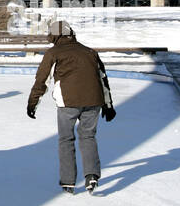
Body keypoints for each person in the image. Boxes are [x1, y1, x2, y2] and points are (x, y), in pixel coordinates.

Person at [26, 20, 116, 194]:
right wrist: (108, 105)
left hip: (68, 102)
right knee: (88, 137)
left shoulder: (54, 53)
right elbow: (103, 78)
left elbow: (42, 80)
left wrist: (33, 103)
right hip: (94, 101)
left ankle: (68, 181)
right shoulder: (90, 52)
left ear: (54, 36)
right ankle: (91, 176)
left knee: (66, 139)